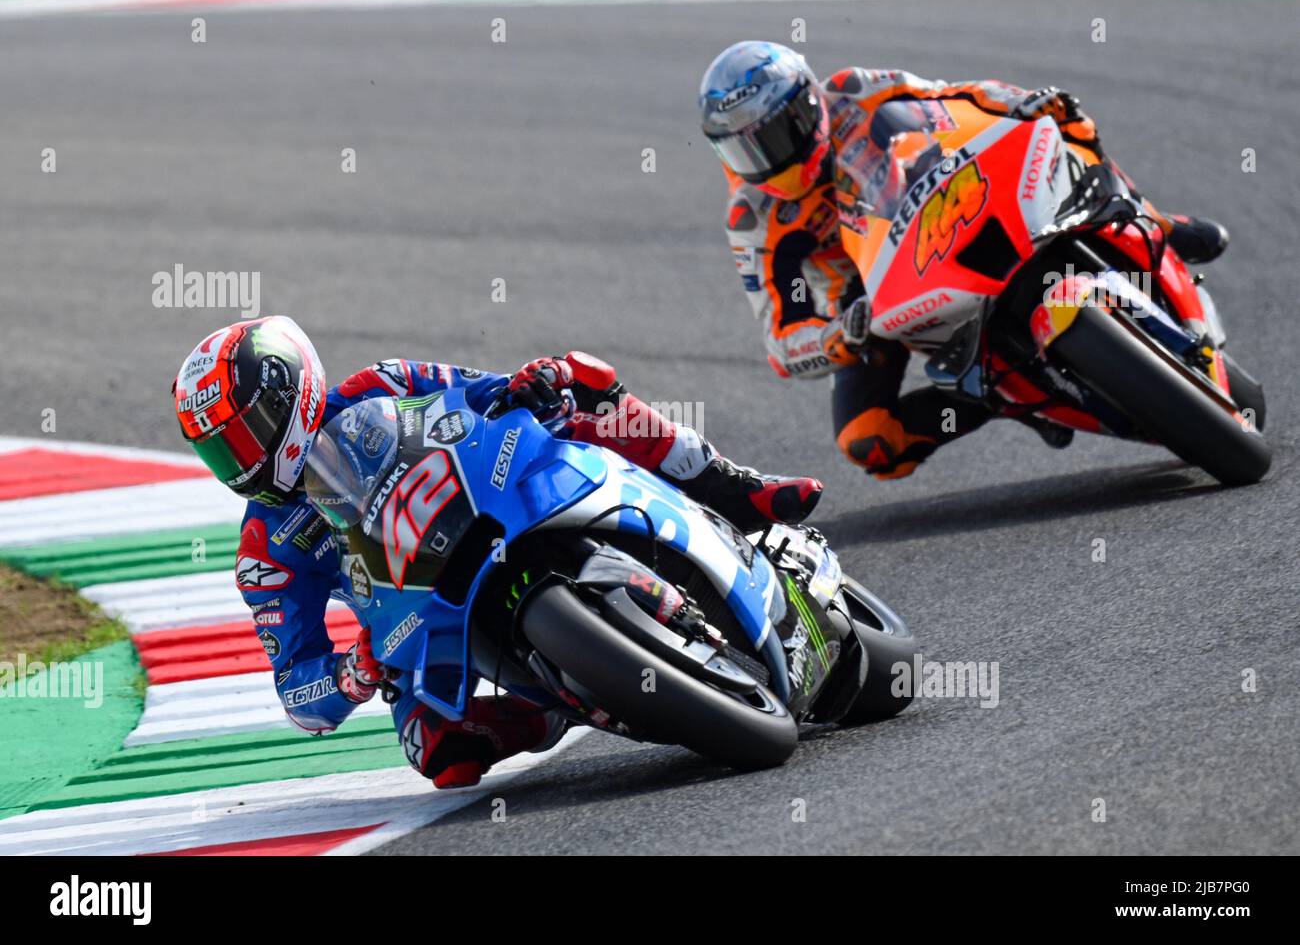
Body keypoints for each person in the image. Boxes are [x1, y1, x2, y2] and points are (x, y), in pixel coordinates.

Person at [172, 315, 821, 788]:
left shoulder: (380, 384)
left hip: (492, 505)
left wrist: (530, 383)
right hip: (412, 610)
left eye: (248, 433)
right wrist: (353, 673)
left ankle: (735, 489)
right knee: (439, 754)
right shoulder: (266, 552)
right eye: (221, 451)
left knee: (583, 389)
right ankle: (563, 704)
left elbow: (481, 391)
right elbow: (296, 691)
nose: (245, 459)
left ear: (291, 392)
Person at [699, 41, 1230, 479]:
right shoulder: (754, 216)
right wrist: (838, 334)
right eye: (741, 150)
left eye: (770, 137)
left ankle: (1155, 225)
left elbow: (956, 97)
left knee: (1068, 130)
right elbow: (780, 339)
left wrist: (1022, 103)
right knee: (872, 443)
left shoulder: (853, 92)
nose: (762, 161)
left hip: (940, 192)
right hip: (870, 297)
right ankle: (998, 395)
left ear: (805, 108)